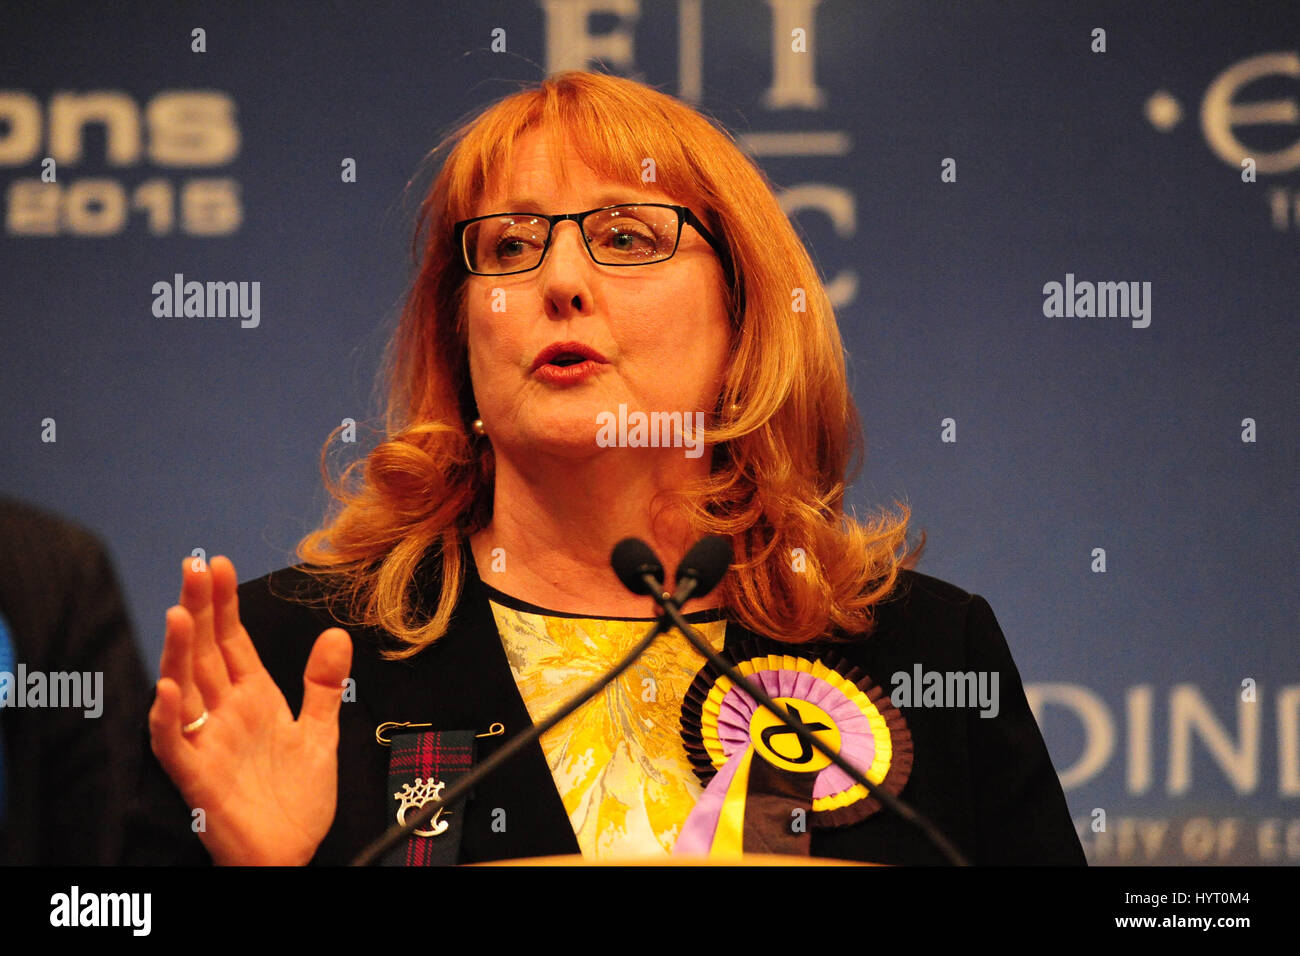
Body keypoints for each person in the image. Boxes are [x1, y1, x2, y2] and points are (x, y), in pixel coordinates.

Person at [125, 71, 1085, 865]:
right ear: (458, 337)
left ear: (744, 315)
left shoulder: (922, 651)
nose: (561, 282)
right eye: (510, 246)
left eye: (627, 236)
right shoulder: (285, 660)